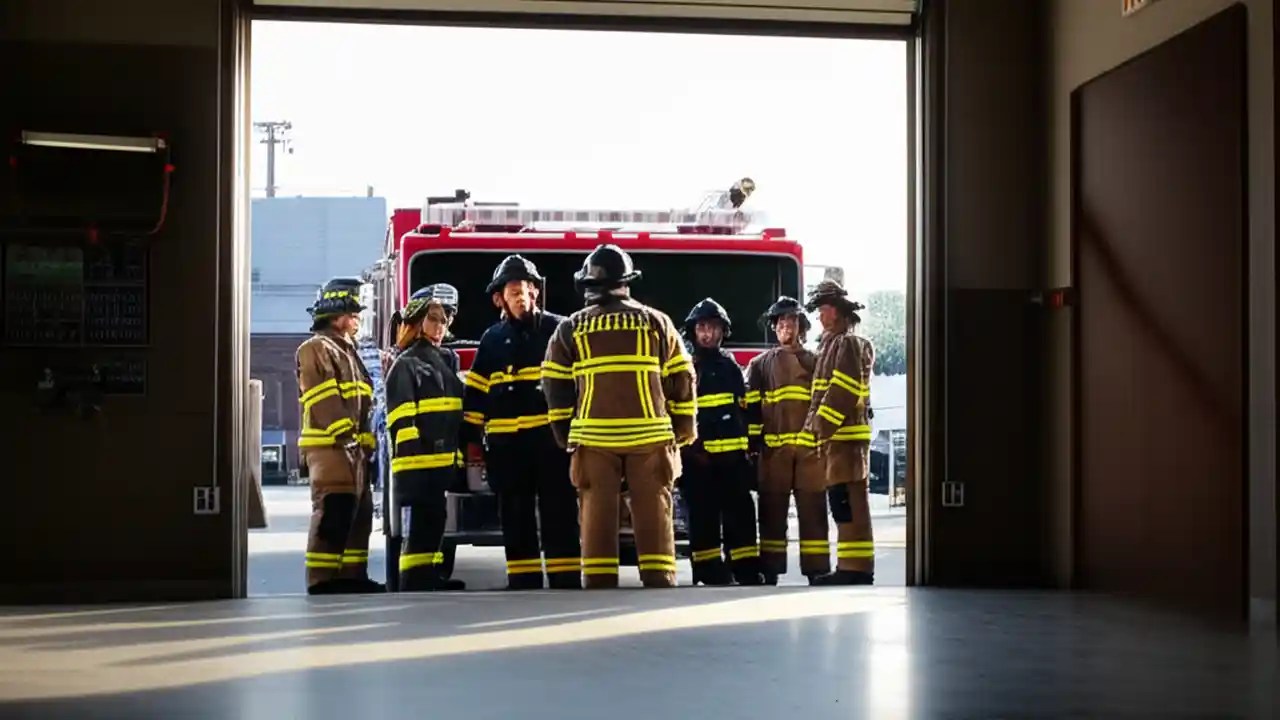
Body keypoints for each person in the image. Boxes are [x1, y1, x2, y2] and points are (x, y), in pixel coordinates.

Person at [542, 244, 696, 589]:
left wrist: (564, 431)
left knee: (596, 509)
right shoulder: (658, 322)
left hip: (593, 440)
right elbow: (683, 378)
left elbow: (553, 383)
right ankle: (659, 576)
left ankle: (599, 578)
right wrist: (684, 427)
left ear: (588, 285)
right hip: (651, 437)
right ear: (627, 282)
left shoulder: (571, 328)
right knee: (655, 509)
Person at [464, 255, 582, 590]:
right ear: (499, 298)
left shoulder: (560, 332)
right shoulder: (491, 340)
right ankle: (523, 579)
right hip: (507, 450)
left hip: (552, 446)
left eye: (526, 289)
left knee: (559, 512)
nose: (521, 296)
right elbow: (476, 394)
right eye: (513, 290)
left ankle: (565, 578)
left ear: (536, 293)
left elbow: (580, 386)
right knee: (515, 517)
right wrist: (473, 442)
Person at [296, 277, 383, 595]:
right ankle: (322, 579)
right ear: (337, 314)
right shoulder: (316, 348)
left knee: (358, 514)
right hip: (329, 447)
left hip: (353, 449)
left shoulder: (350, 352)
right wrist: (346, 435)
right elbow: (323, 399)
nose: (359, 318)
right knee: (334, 509)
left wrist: (365, 440)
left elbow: (363, 401)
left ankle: (351, 576)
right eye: (354, 312)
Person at [385, 283, 468, 592]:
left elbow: (454, 417)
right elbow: (400, 418)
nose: (440, 326)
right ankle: (413, 579)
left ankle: (430, 574)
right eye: (433, 319)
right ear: (418, 322)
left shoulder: (446, 363)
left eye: (444, 321)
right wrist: (411, 460)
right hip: (418, 464)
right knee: (421, 524)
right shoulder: (406, 365)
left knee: (436, 520)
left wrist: (456, 457)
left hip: (441, 463)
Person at [744, 296, 830, 585]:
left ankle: (817, 569)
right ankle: (769, 569)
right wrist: (754, 446)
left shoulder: (816, 361)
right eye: (780, 323)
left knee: (814, 511)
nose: (785, 328)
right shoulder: (759, 365)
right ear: (774, 328)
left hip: (809, 452)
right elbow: (752, 408)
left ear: (801, 327)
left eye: (790, 322)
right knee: (770, 512)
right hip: (774, 450)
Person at [679, 298, 764, 586]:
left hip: (733, 460)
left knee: (741, 514)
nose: (708, 334)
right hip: (698, 461)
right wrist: (690, 451)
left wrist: (750, 447)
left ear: (722, 331)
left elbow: (745, 405)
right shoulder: (687, 367)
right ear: (693, 331)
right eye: (702, 328)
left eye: (714, 328)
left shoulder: (729, 365)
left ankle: (745, 568)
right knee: (702, 517)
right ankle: (708, 569)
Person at [803, 280, 875, 586]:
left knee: (848, 504)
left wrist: (819, 427)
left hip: (844, 442)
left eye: (824, 309)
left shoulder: (846, 344)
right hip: (840, 443)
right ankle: (851, 565)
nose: (819, 315)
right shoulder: (833, 344)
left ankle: (855, 569)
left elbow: (842, 391)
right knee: (844, 504)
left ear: (839, 311)